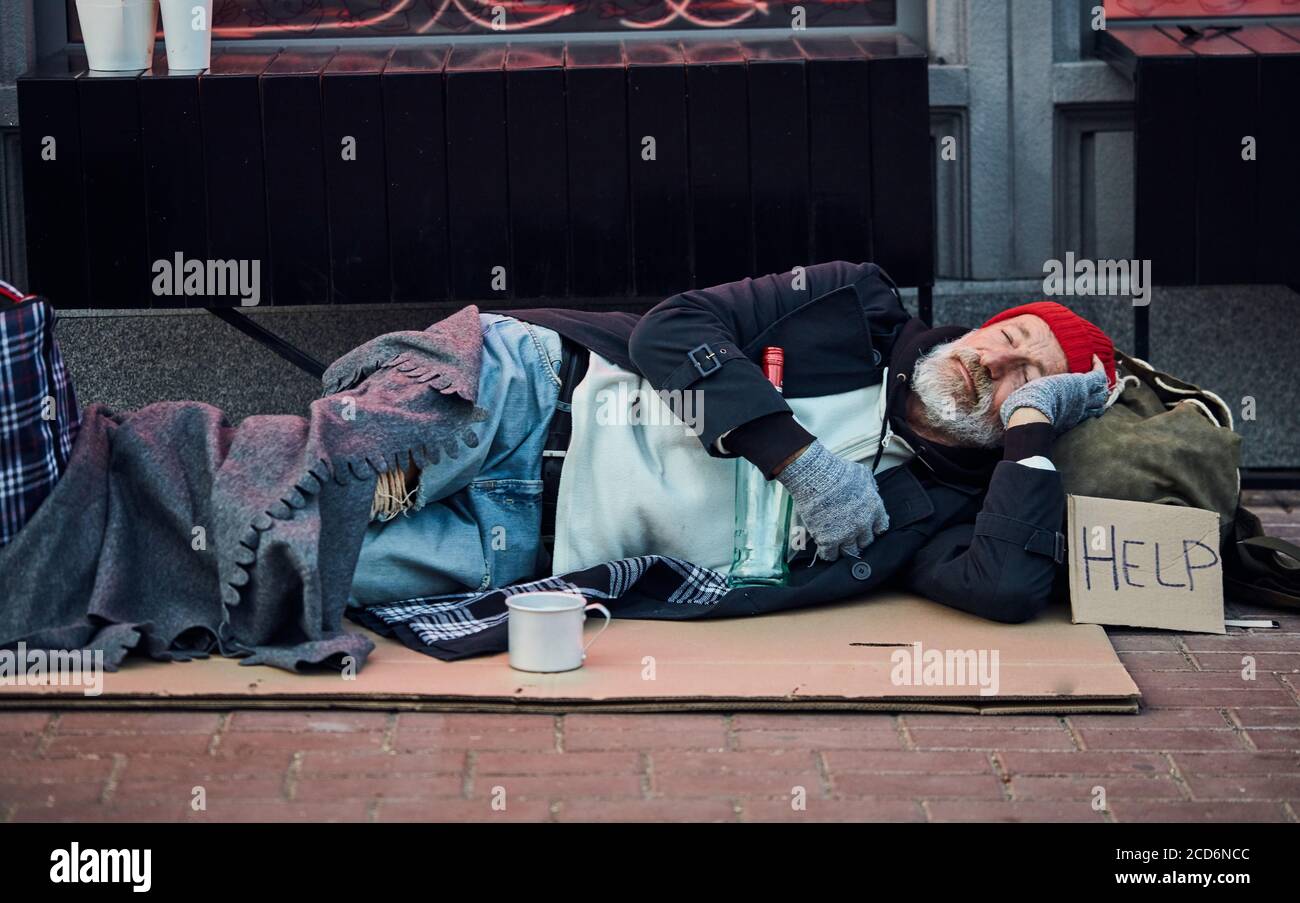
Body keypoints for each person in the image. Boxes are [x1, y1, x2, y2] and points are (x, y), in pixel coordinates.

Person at [1, 261, 1114, 665]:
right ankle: (42, 428)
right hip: (532, 393)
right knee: (305, 477)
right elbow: (681, 327)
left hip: (527, 548)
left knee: (281, 584)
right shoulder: (858, 311)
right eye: (1000, 340)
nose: (988, 368)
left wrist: (1025, 437)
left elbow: (1009, 587)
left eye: (1023, 380)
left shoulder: (929, 515)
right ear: (974, 326)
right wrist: (789, 456)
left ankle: (40, 536)